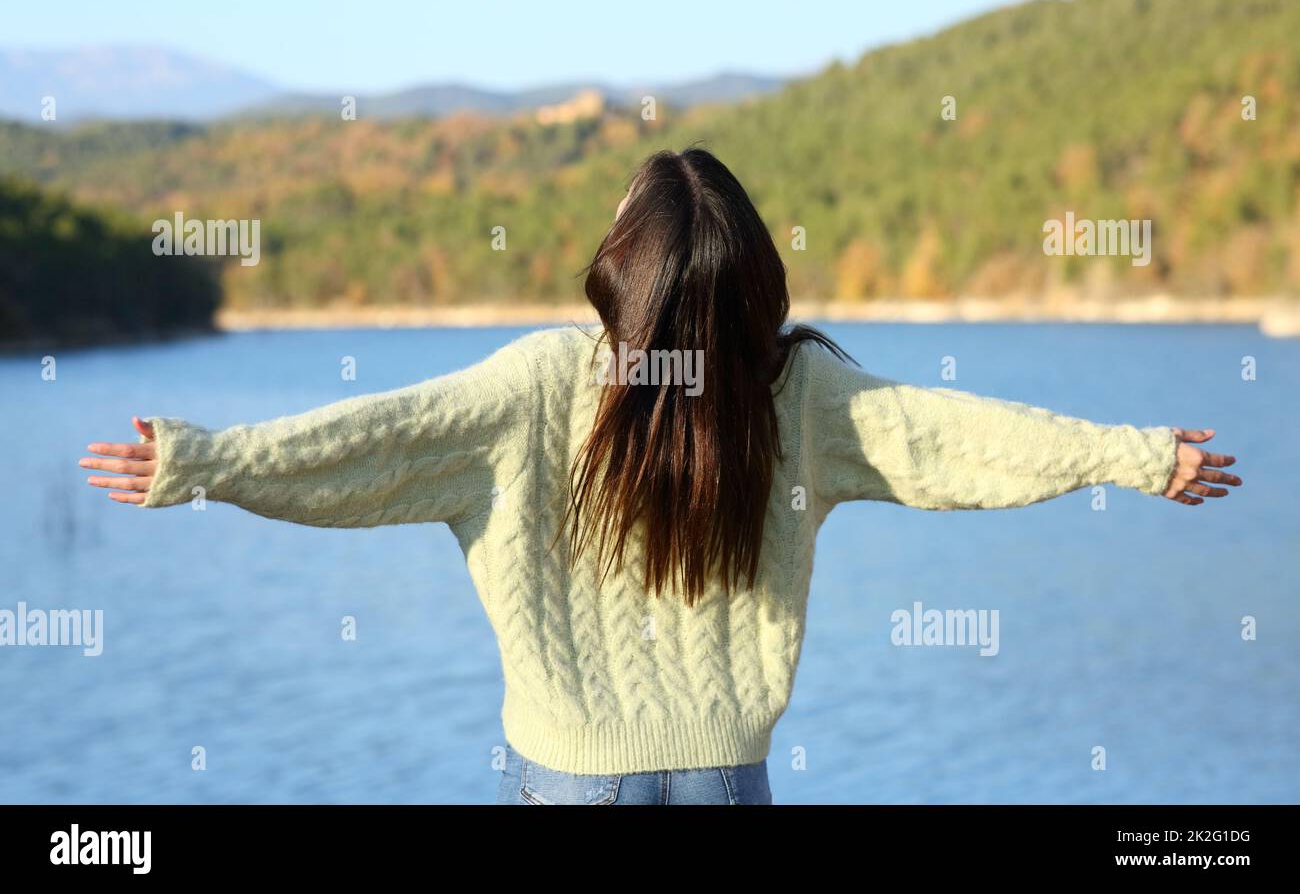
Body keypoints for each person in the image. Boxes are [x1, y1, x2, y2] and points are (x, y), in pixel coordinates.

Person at [79, 147, 1240, 805]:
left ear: (619, 274)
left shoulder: (536, 387)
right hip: (728, 778)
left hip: (571, 782)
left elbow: (366, 444)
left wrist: (202, 458)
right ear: (752, 279)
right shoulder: (796, 394)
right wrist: (1139, 456)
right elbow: (960, 438)